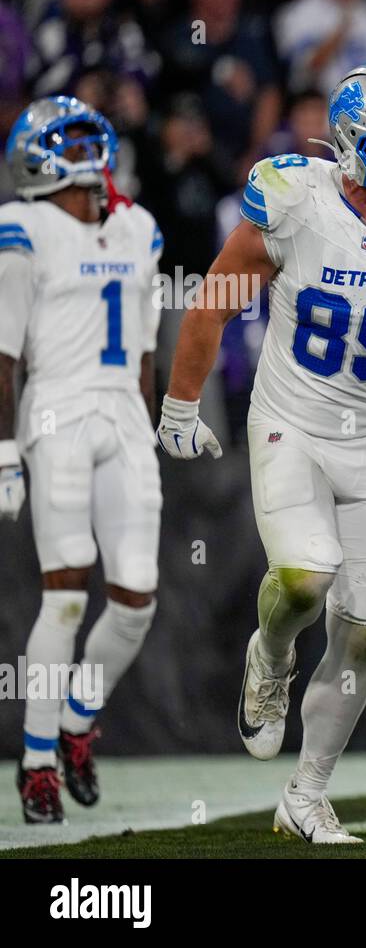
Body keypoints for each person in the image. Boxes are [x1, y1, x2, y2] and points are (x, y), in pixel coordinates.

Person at [155, 61, 366, 844]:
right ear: (352, 145)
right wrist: (178, 403)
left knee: (363, 628)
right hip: (292, 422)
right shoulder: (294, 200)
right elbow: (212, 302)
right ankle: (269, 654)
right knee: (305, 580)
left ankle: (306, 793)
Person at [0, 97, 163, 824]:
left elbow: (149, 351)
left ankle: (76, 721)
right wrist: (6, 451)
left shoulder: (138, 225)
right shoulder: (22, 228)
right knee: (64, 593)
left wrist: (154, 429)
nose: (89, 160)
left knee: (136, 599)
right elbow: (3, 356)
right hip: (57, 409)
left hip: (123, 413)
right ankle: (36, 762)